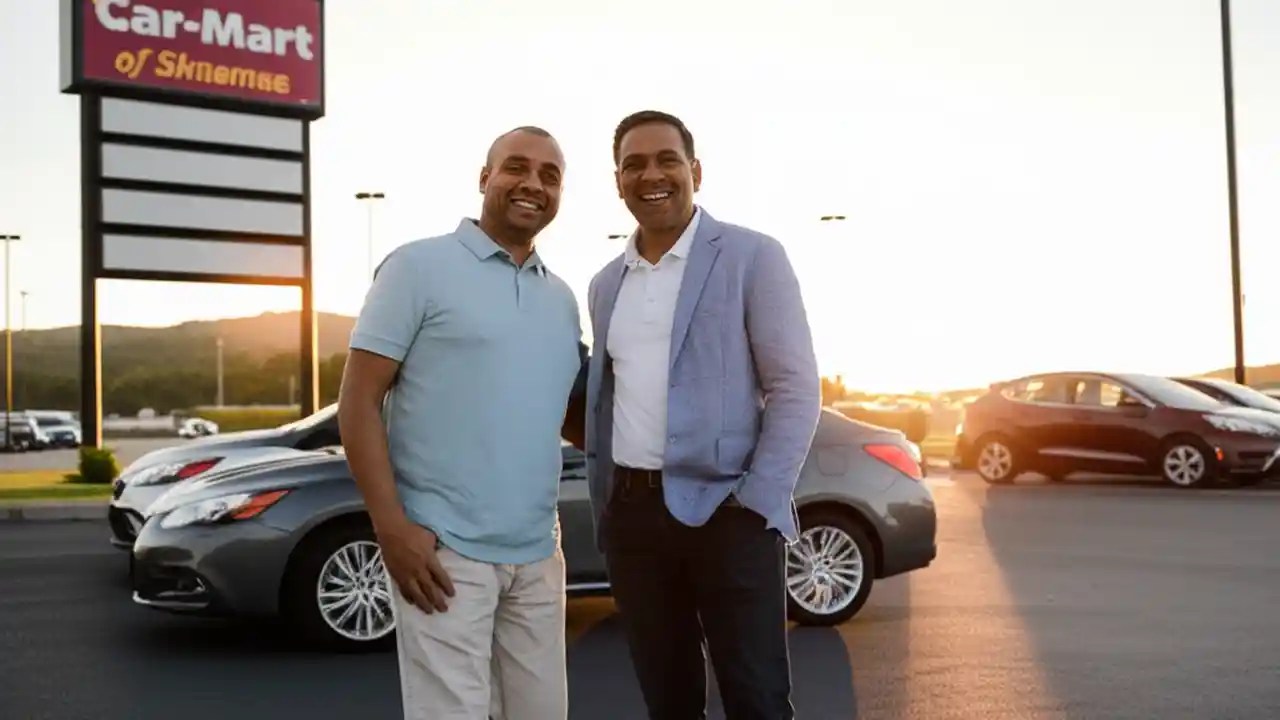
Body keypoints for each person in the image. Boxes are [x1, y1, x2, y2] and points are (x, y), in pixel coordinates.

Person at [576, 110, 822, 719]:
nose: (651, 175)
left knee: (757, 701)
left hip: (729, 516)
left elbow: (794, 388)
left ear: (695, 171)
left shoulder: (751, 256)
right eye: (634, 164)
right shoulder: (606, 283)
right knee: (669, 701)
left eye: (667, 160)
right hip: (633, 518)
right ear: (617, 181)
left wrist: (758, 500)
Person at [337, 126, 584, 720]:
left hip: (536, 555)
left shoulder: (562, 298)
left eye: (550, 176)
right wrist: (391, 528)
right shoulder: (417, 267)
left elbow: (570, 417)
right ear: (485, 177)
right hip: (444, 556)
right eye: (515, 168)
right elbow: (357, 401)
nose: (532, 184)